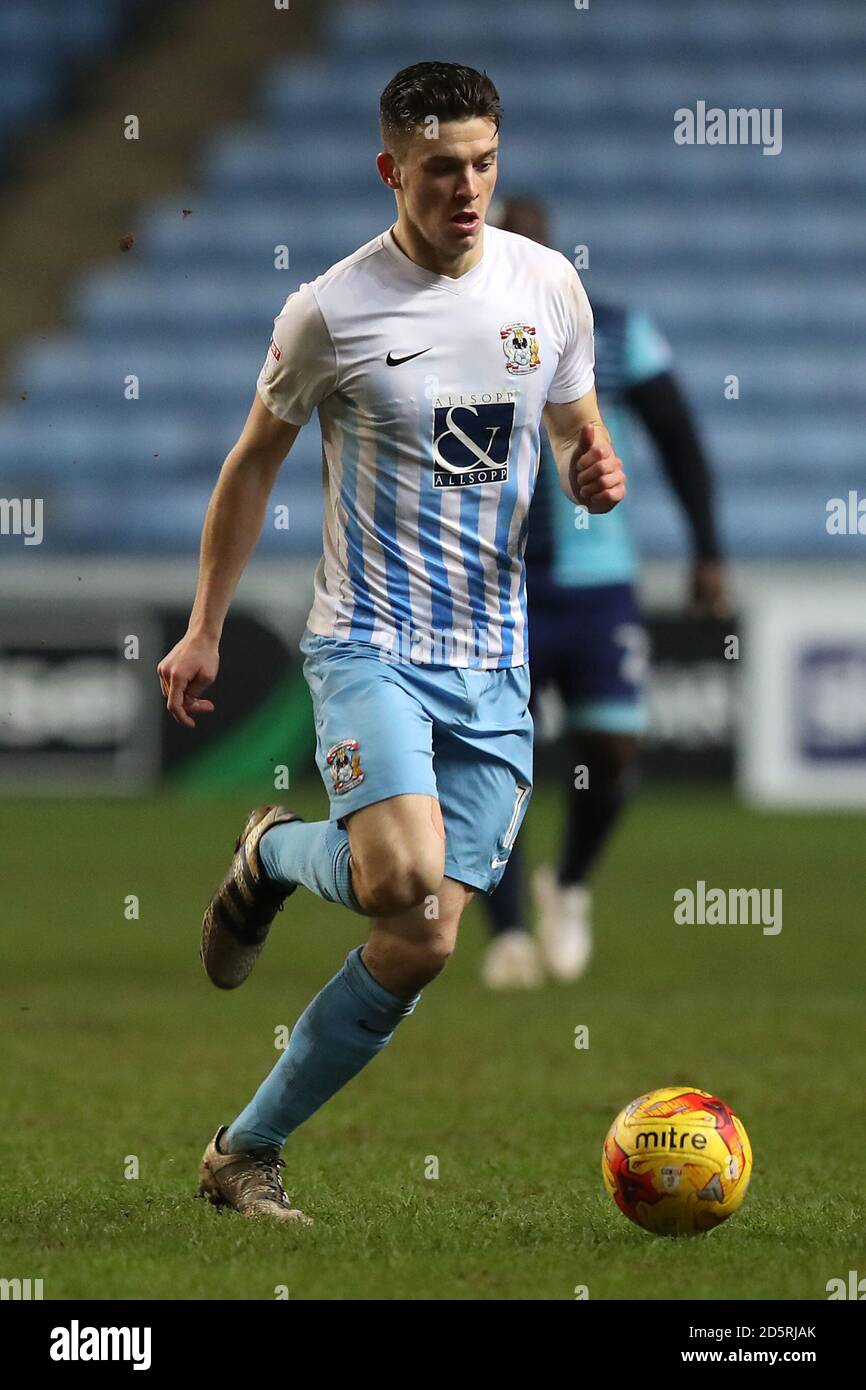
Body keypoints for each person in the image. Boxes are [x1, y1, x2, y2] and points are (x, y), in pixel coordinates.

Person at [157, 63, 625, 1223]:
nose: (466, 188)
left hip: (493, 656)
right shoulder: (330, 311)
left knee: (419, 941)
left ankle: (242, 1152)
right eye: (439, 170)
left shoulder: (546, 284)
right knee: (401, 875)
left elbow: (571, 411)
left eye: (482, 164)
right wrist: (204, 625)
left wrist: (588, 459)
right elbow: (250, 465)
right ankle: (271, 859)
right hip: (368, 639)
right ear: (390, 172)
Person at [480, 197, 727, 991]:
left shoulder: (614, 332)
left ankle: (571, 884)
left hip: (596, 585)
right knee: (496, 761)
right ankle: (510, 934)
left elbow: (678, 440)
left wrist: (708, 550)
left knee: (614, 750)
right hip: (496, 583)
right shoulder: (452, 336)